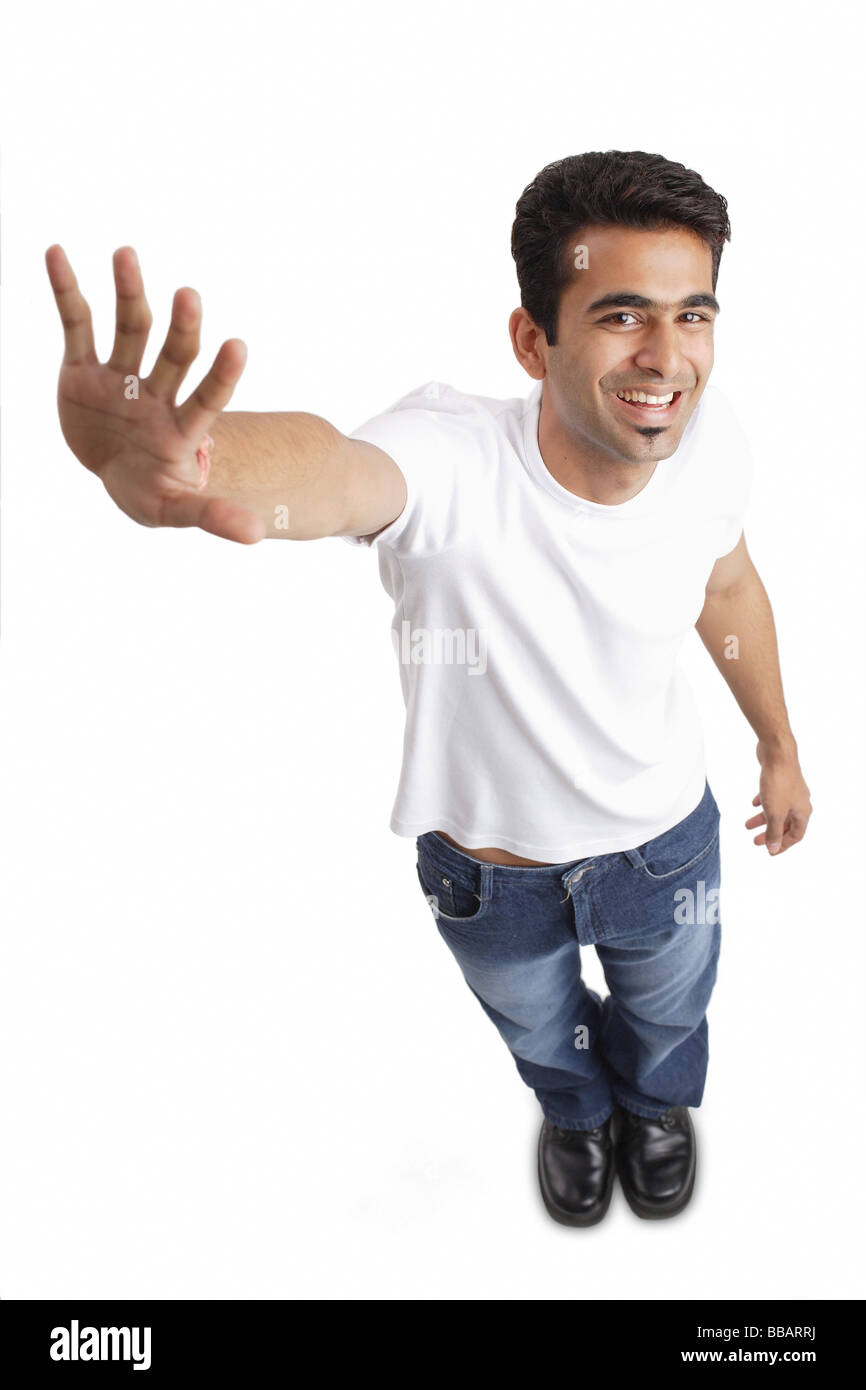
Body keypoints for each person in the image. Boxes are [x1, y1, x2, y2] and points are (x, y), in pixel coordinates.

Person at [45, 149, 812, 1228]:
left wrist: (776, 745)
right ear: (531, 339)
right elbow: (336, 471)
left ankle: (650, 1108)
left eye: (693, 315)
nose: (665, 358)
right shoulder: (451, 458)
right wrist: (202, 460)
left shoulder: (710, 437)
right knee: (543, 1036)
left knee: (671, 1019)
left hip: (662, 848)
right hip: (492, 883)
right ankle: (579, 1116)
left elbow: (724, 585)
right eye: (621, 315)